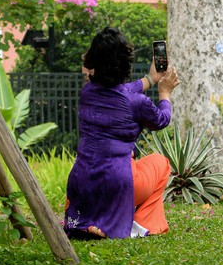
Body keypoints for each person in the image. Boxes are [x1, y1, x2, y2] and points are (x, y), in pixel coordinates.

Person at [64, 27, 178, 239]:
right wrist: (164, 92)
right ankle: (140, 225)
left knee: (93, 181)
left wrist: (150, 79)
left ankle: (87, 224)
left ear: (93, 63)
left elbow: (122, 91)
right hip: (117, 182)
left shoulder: (87, 93)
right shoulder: (136, 103)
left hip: (82, 181)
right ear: (125, 63)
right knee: (161, 163)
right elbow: (161, 120)